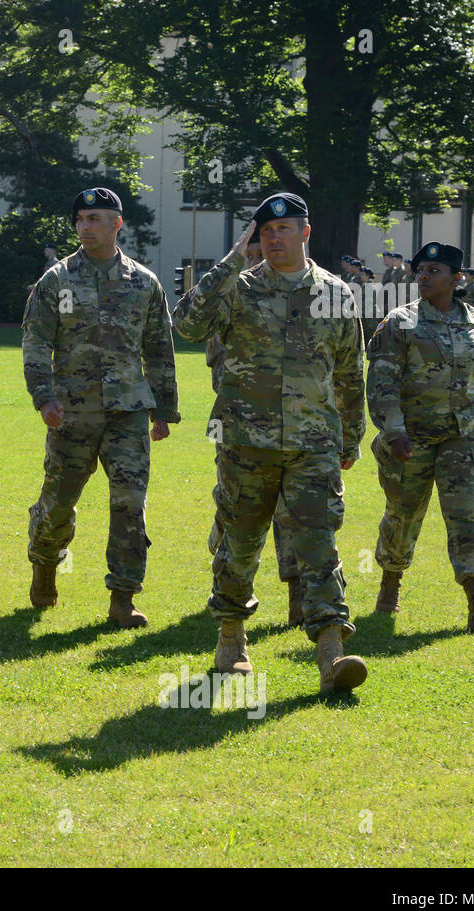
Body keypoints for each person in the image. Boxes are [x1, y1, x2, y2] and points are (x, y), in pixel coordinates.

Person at [173, 192, 368, 693]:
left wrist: (351, 435)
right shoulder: (236, 289)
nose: (274, 238)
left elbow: (349, 370)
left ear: (306, 233)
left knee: (319, 545)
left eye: (284, 229)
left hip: (313, 443)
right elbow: (187, 323)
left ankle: (331, 653)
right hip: (245, 442)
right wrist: (232, 260)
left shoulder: (336, 293)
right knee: (240, 543)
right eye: (264, 232)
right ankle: (232, 639)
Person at [22, 187, 178, 626]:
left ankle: (123, 597)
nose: (85, 227)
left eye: (95, 218)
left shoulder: (144, 283)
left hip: (127, 412)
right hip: (71, 413)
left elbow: (158, 348)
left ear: (117, 224)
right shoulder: (56, 280)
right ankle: (45, 562)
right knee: (58, 502)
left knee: (130, 504)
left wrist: (164, 409)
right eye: (81, 219)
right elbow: (36, 341)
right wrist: (44, 397)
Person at [367, 242, 474, 631]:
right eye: (421, 270)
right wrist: (394, 430)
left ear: (457, 278)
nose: (424, 276)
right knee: (403, 515)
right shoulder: (400, 321)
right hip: (411, 438)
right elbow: (382, 382)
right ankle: (390, 584)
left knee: (467, 516)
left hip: (464, 436)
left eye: (434, 270)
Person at [203, 229, 305, 627]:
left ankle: (297, 594)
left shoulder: (295, 296)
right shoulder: (231, 296)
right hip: (237, 423)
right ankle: (225, 564)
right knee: (235, 504)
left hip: (292, 424)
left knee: (289, 511)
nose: (256, 262)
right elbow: (211, 350)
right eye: (251, 254)